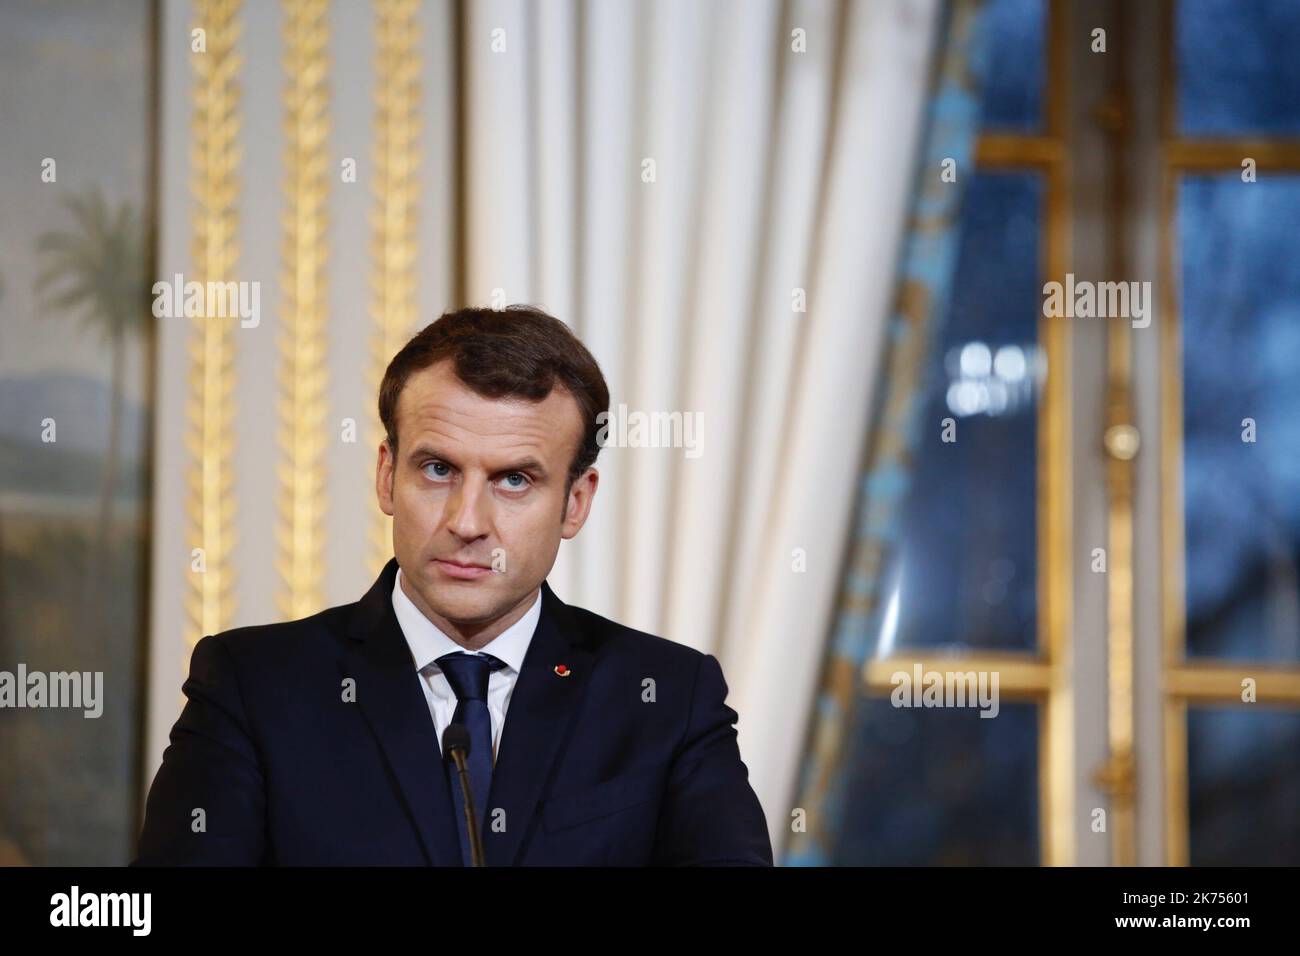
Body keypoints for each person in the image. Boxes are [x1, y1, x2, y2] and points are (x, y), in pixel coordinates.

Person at [134, 304, 773, 866]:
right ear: (387, 476)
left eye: (514, 480)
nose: (467, 522)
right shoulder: (253, 686)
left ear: (576, 503)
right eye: (438, 469)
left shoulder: (668, 698)